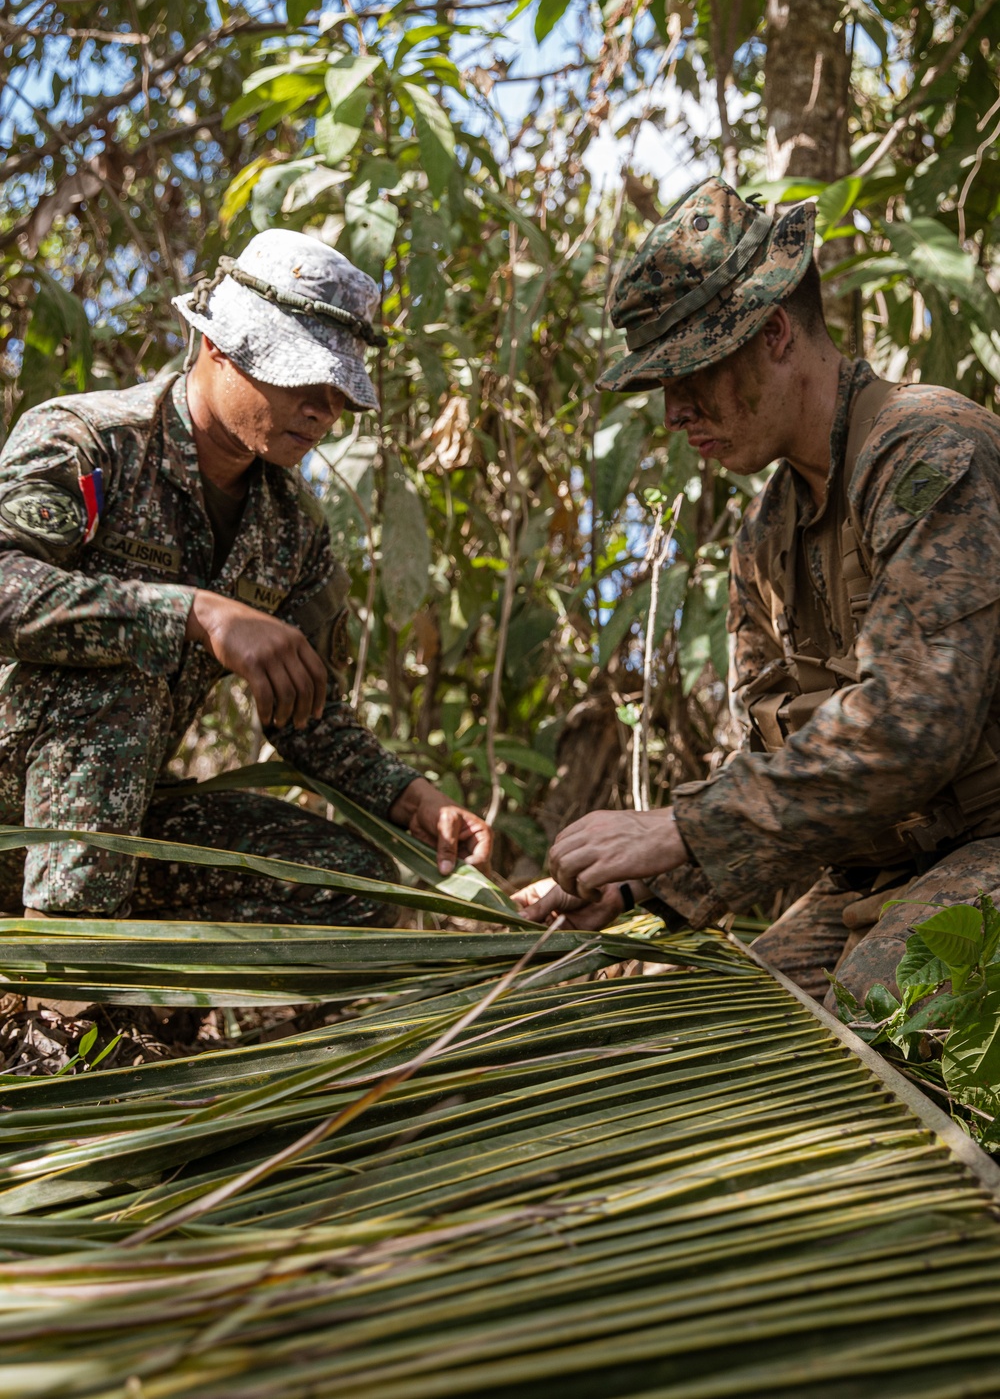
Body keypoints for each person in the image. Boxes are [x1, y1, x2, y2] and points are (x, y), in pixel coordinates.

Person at [516, 177, 1000, 1009]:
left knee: (867, 1027)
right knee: (711, 1027)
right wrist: (642, 885)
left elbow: (913, 723)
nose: (674, 412)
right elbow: (781, 775)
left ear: (774, 333)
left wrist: (678, 827)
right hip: (880, 871)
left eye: (691, 374)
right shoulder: (766, 540)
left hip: (988, 846)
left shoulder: (929, 452)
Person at [0, 230, 491, 924]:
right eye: (300, 377)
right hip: (17, 805)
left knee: (353, 885)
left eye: (339, 390)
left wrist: (411, 797)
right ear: (218, 346)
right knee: (122, 675)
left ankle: (137, 976)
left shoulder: (292, 529)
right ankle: (60, 975)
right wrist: (192, 613)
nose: (323, 409)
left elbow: (307, 711)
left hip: (106, 827)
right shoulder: (88, 441)